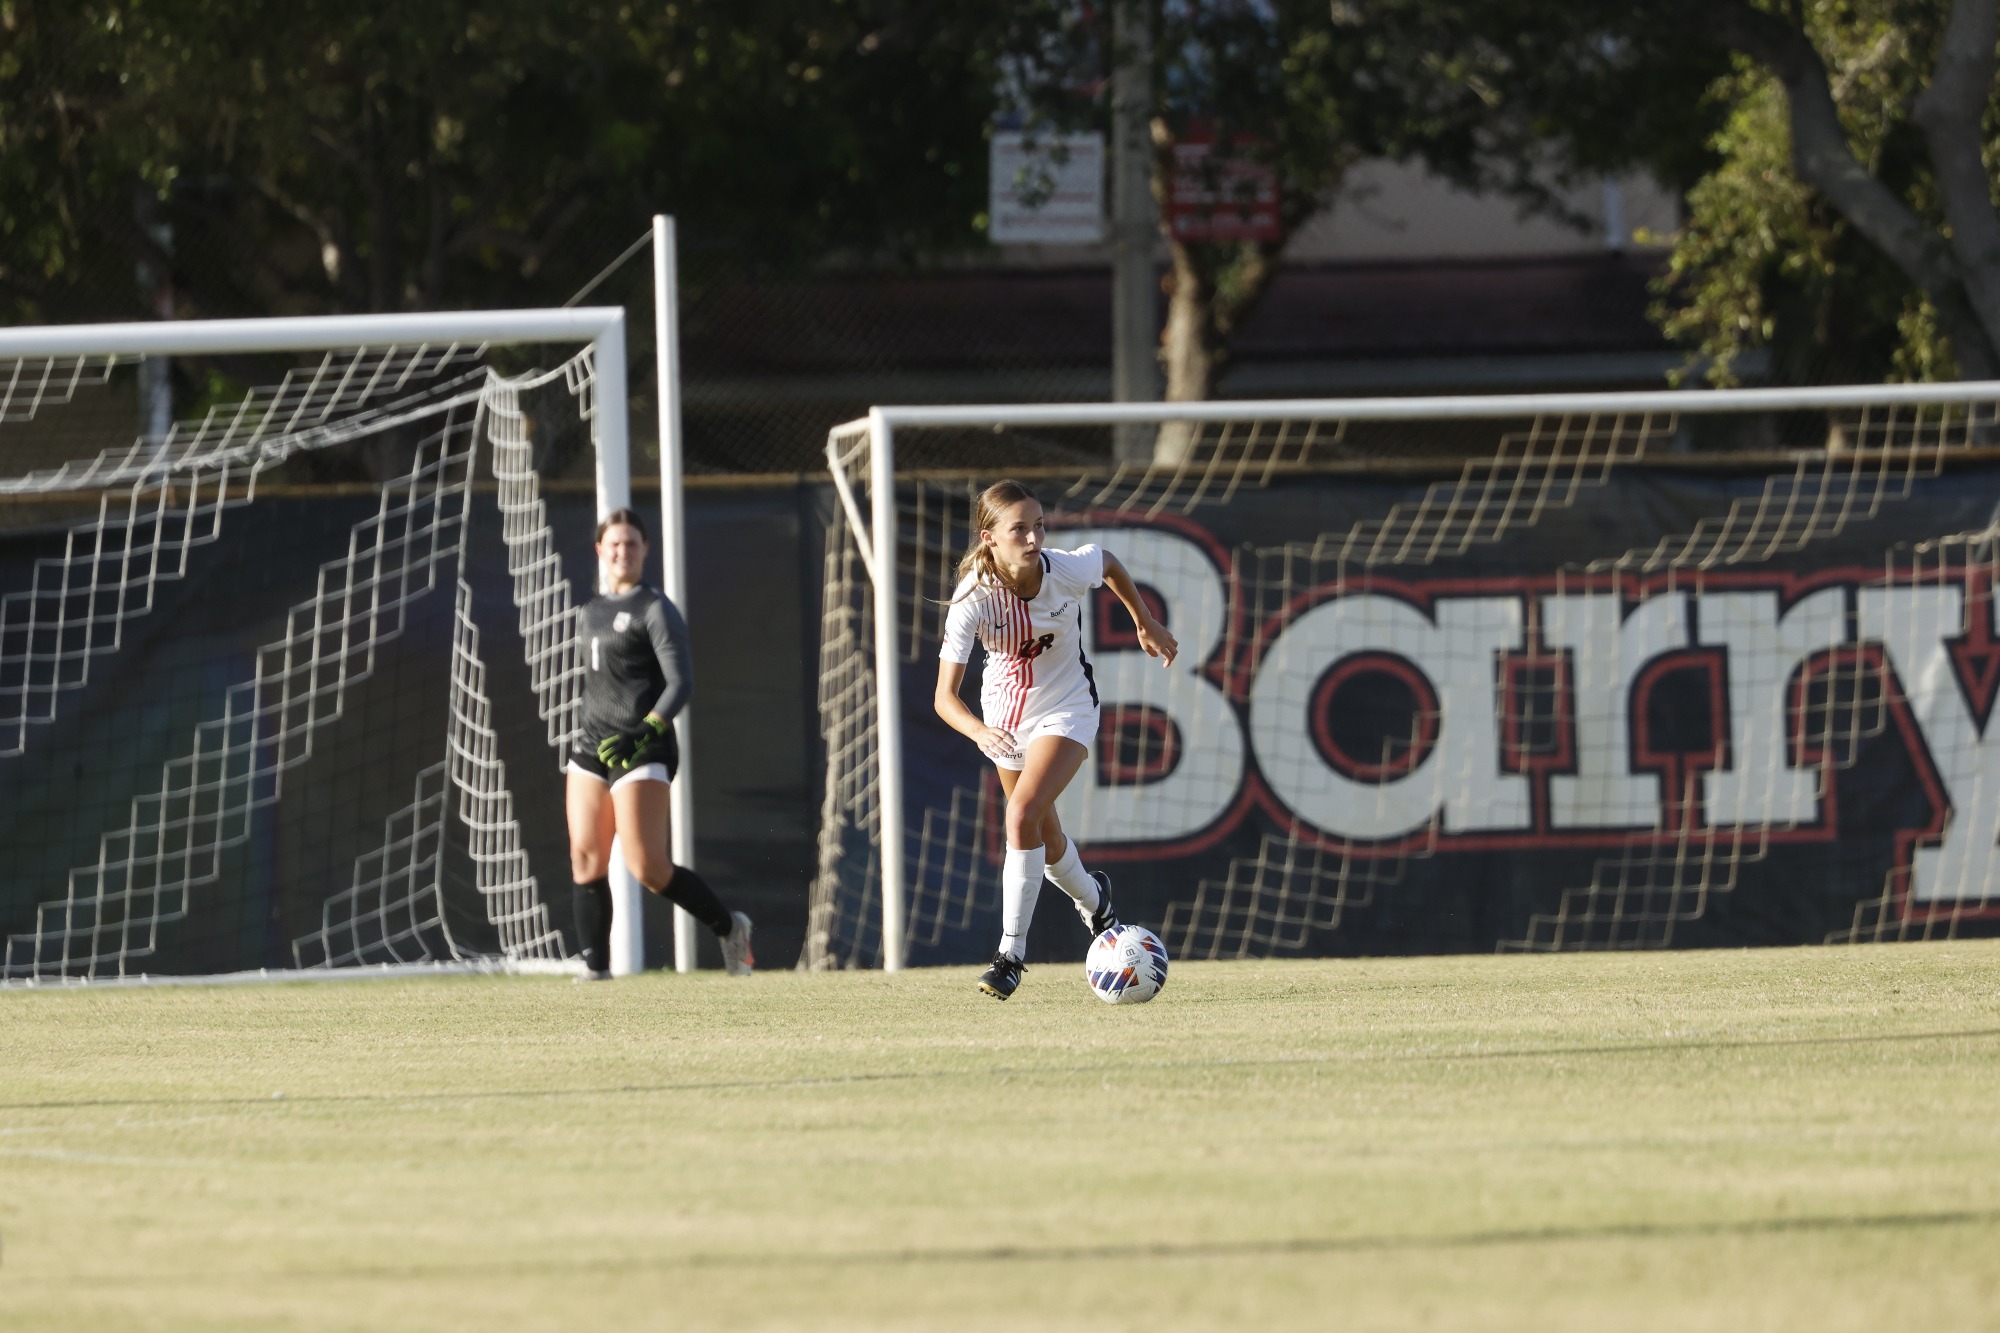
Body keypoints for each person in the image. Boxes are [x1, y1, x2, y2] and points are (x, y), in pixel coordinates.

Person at [933, 479, 1178, 999]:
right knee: (1044, 837)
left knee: (1020, 815)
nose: (1033, 537)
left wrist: (1145, 620)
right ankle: (1097, 903)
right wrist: (979, 730)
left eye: (1039, 524)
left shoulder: (1063, 568)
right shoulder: (973, 596)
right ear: (990, 537)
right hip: (1003, 722)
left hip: (1068, 709)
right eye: (1019, 528)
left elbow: (1107, 561)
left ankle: (1010, 955)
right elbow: (944, 699)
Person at [566, 508, 752, 980]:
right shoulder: (589, 613)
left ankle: (730, 927)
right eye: (614, 543)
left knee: (646, 867)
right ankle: (596, 971)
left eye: (631, 543)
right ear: (599, 550)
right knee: (585, 856)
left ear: (644, 549)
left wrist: (644, 729)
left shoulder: (654, 608)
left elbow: (681, 683)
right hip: (593, 745)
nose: (622, 551)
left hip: (643, 745)